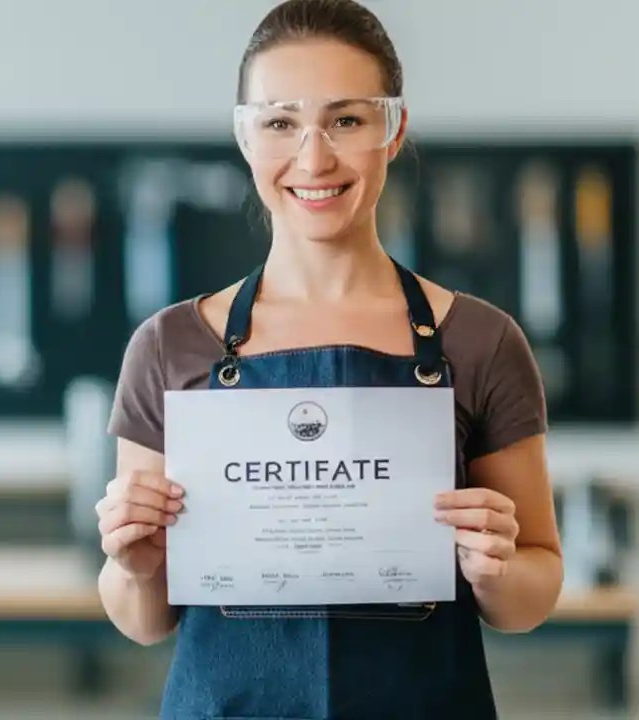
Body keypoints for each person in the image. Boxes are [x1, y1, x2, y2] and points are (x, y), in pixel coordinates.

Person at [94, 1, 563, 717]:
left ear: (394, 128)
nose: (313, 158)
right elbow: (143, 619)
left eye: (347, 119)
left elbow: (533, 592)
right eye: (280, 121)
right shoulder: (168, 347)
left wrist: (497, 568)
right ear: (245, 135)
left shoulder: (481, 341)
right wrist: (134, 563)